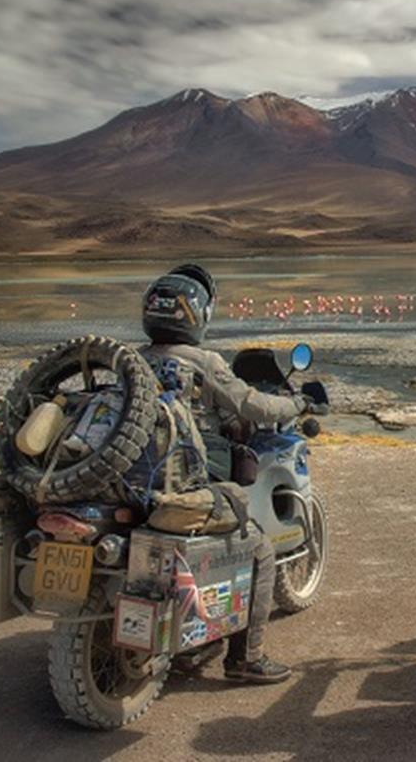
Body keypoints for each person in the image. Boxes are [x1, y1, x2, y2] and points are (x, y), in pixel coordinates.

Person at [139, 263, 313, 685]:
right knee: (257, 551)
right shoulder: (203, 362)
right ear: (196, 315)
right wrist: (297, 405)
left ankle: (194, 642)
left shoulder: (131, 361)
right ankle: (245, 659)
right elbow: (255, 406)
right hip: (186, 482)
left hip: (132, 484)